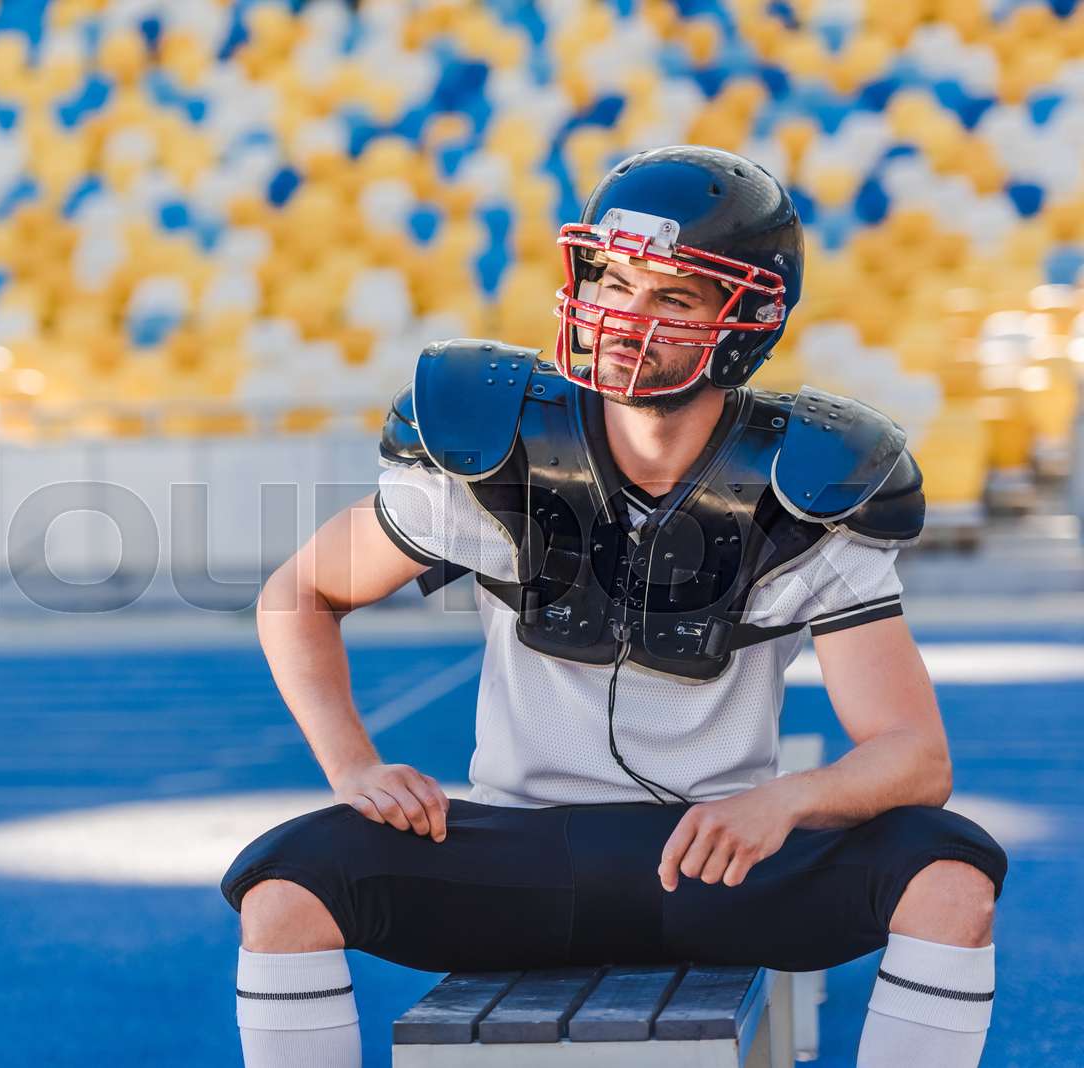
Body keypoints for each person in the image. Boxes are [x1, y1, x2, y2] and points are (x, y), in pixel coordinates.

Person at [220, 145, 1006, 1068]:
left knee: (952, 878)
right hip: (519, 854)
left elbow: (916, 756)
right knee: (283, 893)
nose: (625, 321)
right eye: (614, 283)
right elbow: (299, 594)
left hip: (719, 861)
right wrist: (352, 767)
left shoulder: (804, 489)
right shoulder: (500, 452)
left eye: (672, 298)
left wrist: (786, 802)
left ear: (746, 318)